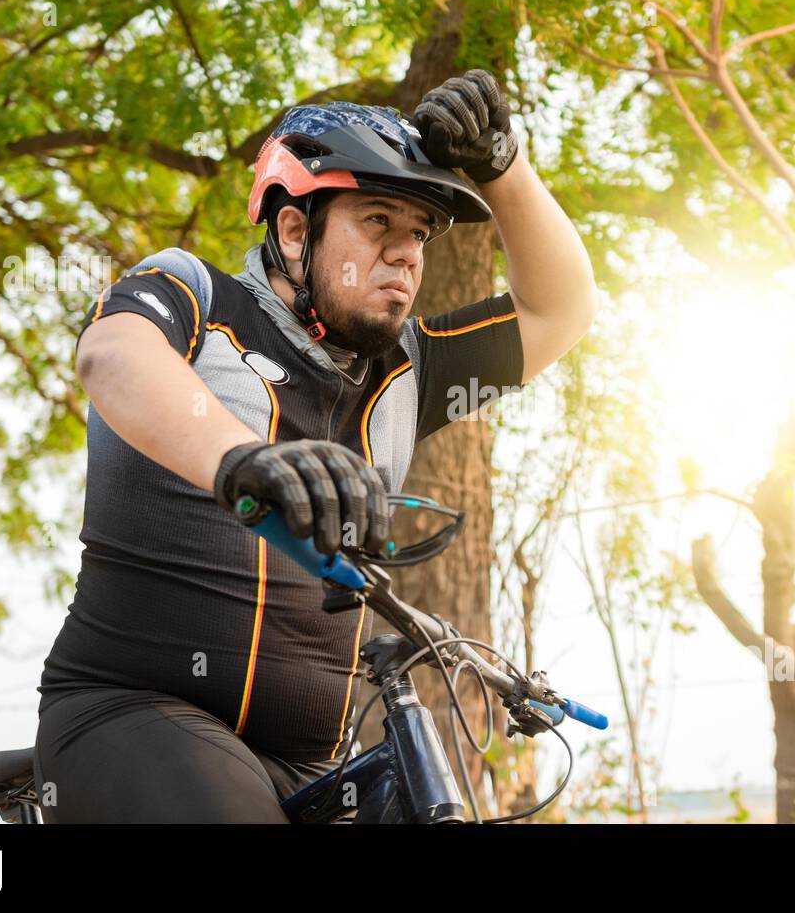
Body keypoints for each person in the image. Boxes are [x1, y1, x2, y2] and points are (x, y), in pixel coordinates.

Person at [33, 69, 599, 822]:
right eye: (377, 222)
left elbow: (561, 309)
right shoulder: (197, 295)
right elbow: (111, 356)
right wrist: (244, 458)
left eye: (419, 234)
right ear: (296, 230)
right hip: (131, 709)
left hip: (314, 763)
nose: (406, 255)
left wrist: (505, 164)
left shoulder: (411, 369)